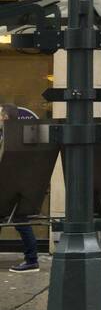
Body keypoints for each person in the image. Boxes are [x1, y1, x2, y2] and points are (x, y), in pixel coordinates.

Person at [0, 104, 40, 273]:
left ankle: (32, 260)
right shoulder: (15, 135)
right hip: (14, 185)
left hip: (12, 186)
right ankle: (31, 259)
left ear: (5, 117)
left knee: (22, 222)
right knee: (21, 222)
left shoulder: (11, 137)